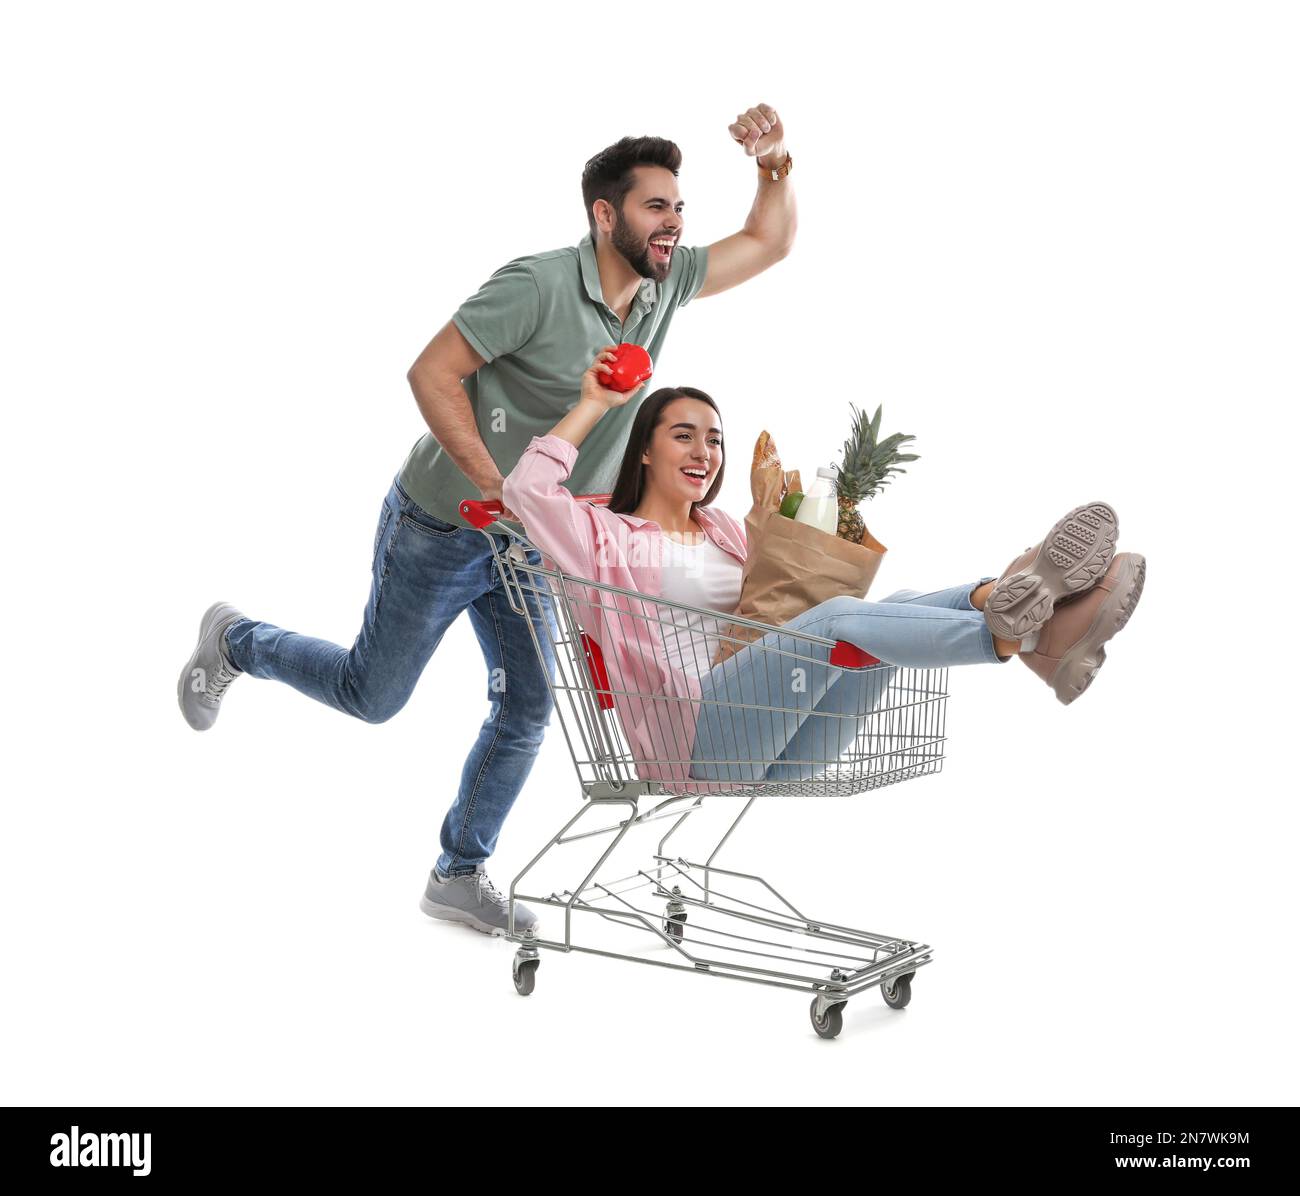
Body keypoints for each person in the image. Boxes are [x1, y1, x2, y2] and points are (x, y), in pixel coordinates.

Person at [177, 106, 797, 936]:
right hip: (443, 521)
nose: (675, 224)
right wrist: (496, 484)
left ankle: (458, 871)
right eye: (657, 207)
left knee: (531, 706)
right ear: (604, 215)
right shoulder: (536, 286)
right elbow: (431, 373)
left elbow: (768, 241)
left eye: (679, 208)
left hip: (531, 544)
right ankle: (237, 641)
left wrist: (775, 161)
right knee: (373, 695)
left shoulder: (665, 282)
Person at [502, 351, 1147, 786]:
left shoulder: (726, 530)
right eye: (684, 435)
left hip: (785, 738)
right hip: (692, 741)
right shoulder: (606, 538)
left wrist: (795, 525)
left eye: (715, 438)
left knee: (900, 600)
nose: (705, 451)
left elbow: (776, 611)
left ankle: (1017, 612)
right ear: (644, 449)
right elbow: (526, 492)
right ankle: (1016, 634)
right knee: (838, 620)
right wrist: (593, 402)